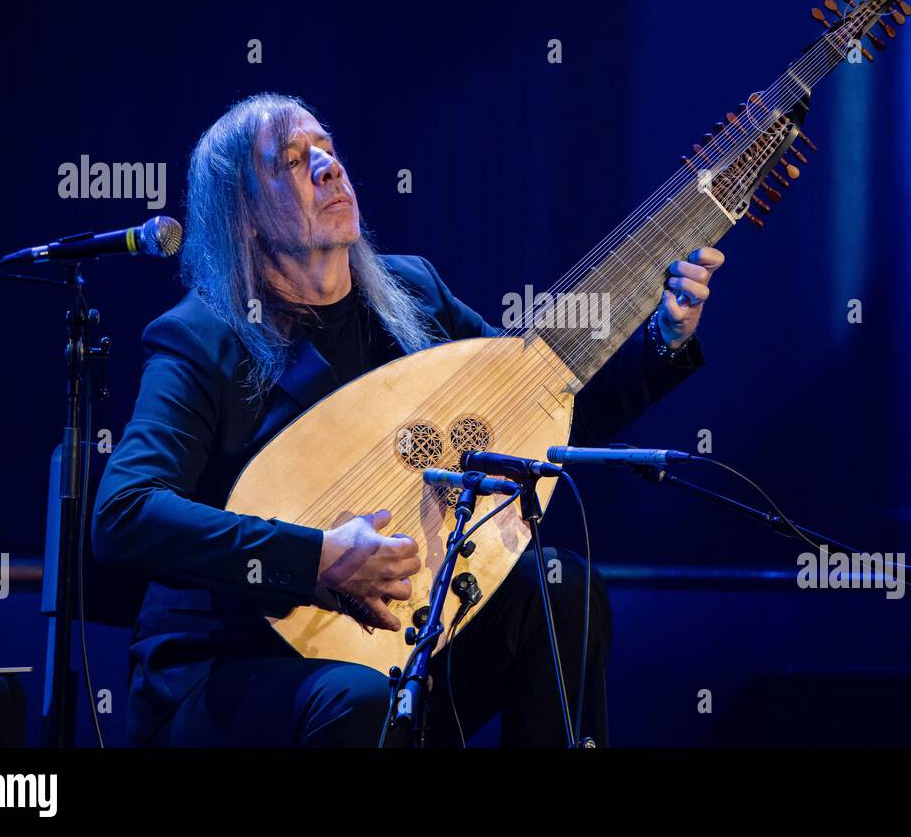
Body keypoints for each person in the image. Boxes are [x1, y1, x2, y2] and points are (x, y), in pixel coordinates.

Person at [92, 92, 723, 746]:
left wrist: (662, 341)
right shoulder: (202, 339)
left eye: (327, 151)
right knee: (361, 701)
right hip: (233, 672)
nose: (327, 168)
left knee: (560, 588)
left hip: (391, 644)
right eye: (291, 161)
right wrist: (315, 560)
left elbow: (545, 420)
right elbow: (124, 515)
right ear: (244, 218)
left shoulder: (413, 296)